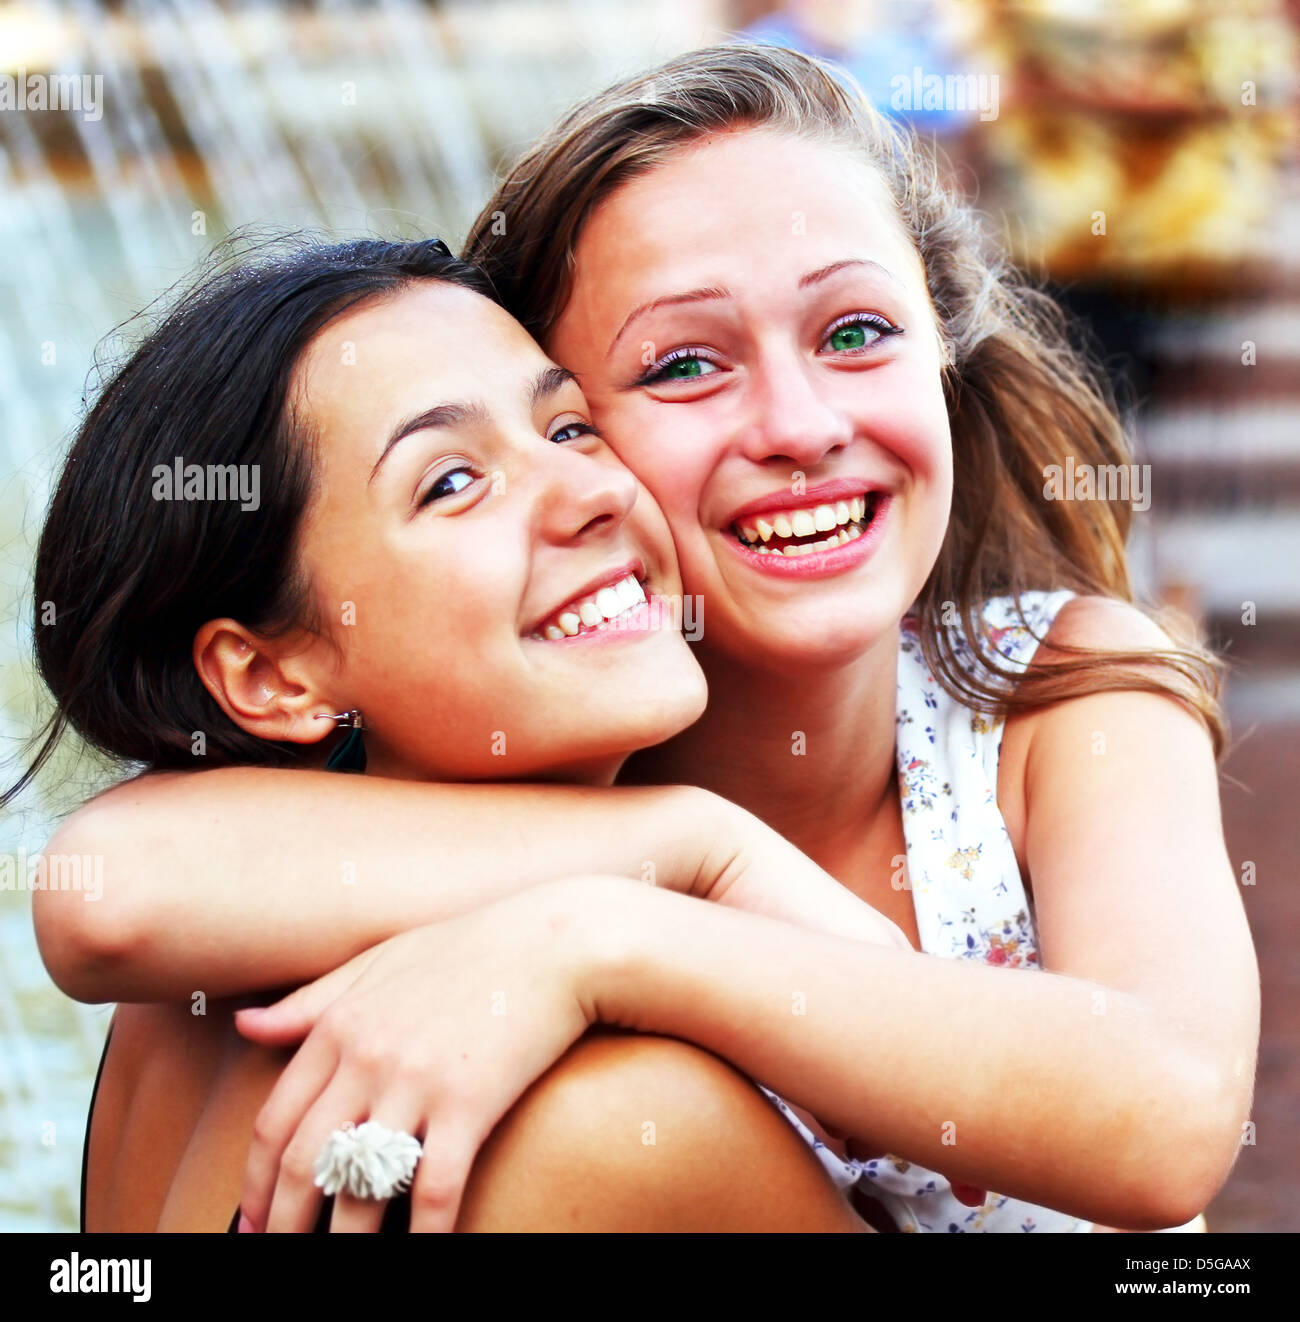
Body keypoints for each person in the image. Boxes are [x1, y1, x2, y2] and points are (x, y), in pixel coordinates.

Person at [33, 45, 1257, 1234]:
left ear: (940, 352)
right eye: (681, 365)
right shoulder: (434, 849)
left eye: (855, 332)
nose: (797, 424)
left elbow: (1166, 1117)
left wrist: (613, 935)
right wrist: (689, 847)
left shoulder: (1045, 690)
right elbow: (107, 891)